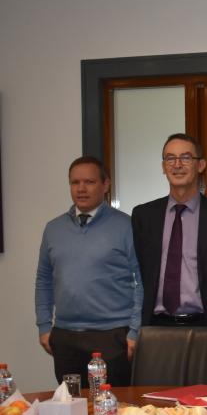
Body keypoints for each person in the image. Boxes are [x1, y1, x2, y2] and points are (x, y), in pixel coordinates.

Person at [35, 156, 143, 386]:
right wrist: (44, 326)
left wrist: (134, 331)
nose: (81, 189)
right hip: (65, 337)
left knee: (112, 410)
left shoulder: (126, 226)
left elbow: (141, 280)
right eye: (75, 183)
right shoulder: (53, 229)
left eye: (89, 182)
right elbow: (43, 279)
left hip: (113, 337)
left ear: (105, 185)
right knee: (72, 411)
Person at [132, 133, 207, 327]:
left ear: (201, 165)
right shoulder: (143, 216)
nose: (177, 164)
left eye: (186, 157)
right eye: (170, 158)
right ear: (163, 167)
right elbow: (139, 271)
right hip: (155, 327)